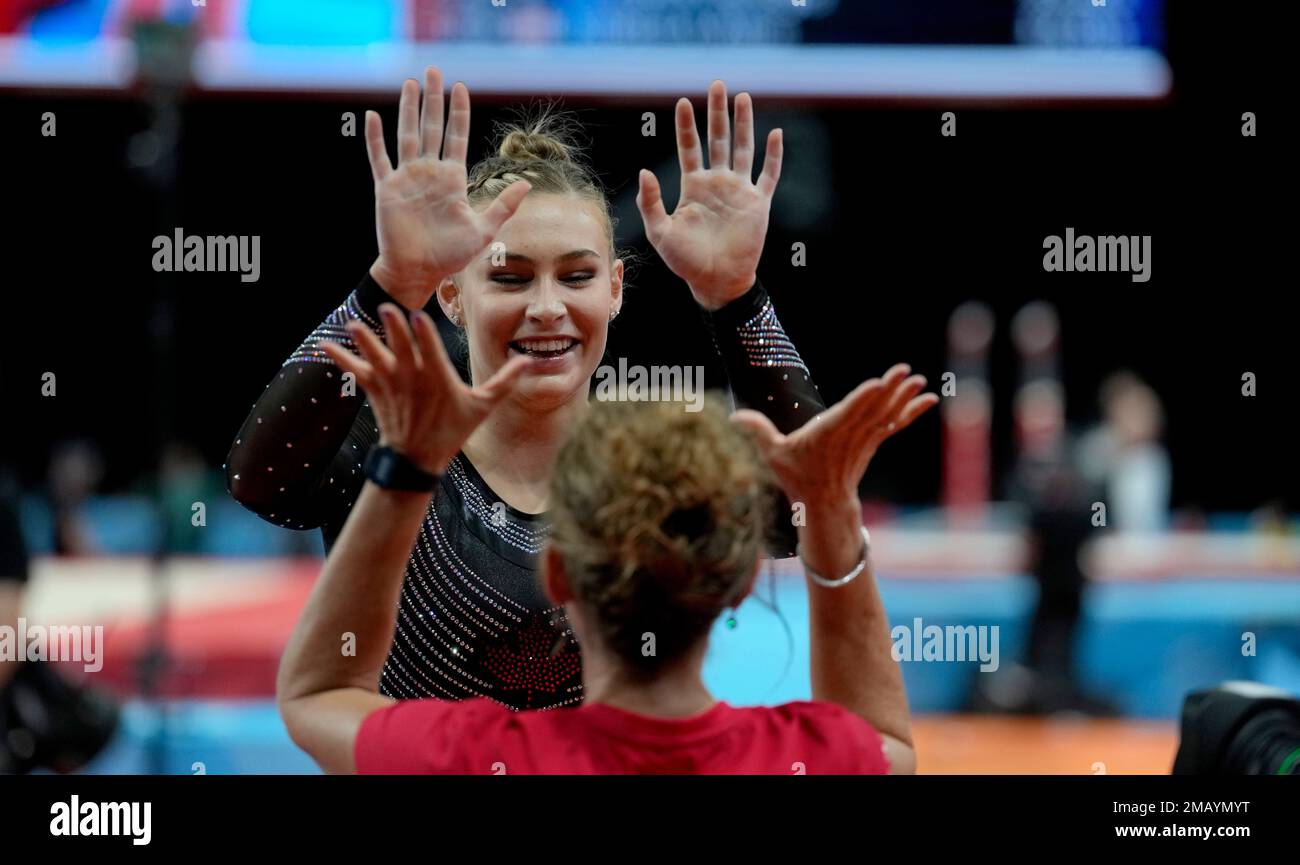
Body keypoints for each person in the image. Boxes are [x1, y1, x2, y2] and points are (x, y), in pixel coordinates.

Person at [228, 67, 822, 710]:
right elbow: (262, 481)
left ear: (615, 290)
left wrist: (736, 299)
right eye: (510, 278)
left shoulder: (657, 466)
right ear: (452, 294)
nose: (547, 307)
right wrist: (389, 283)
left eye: (577, 277)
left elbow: (807, 517)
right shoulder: (399, 443)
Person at [276, 301, 936, 773]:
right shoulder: (804, 758)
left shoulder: (481, 756)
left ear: (557, 572)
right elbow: (884, 741)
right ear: (737, 584)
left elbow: (317, 692)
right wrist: (828, 510)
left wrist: (408, 465)